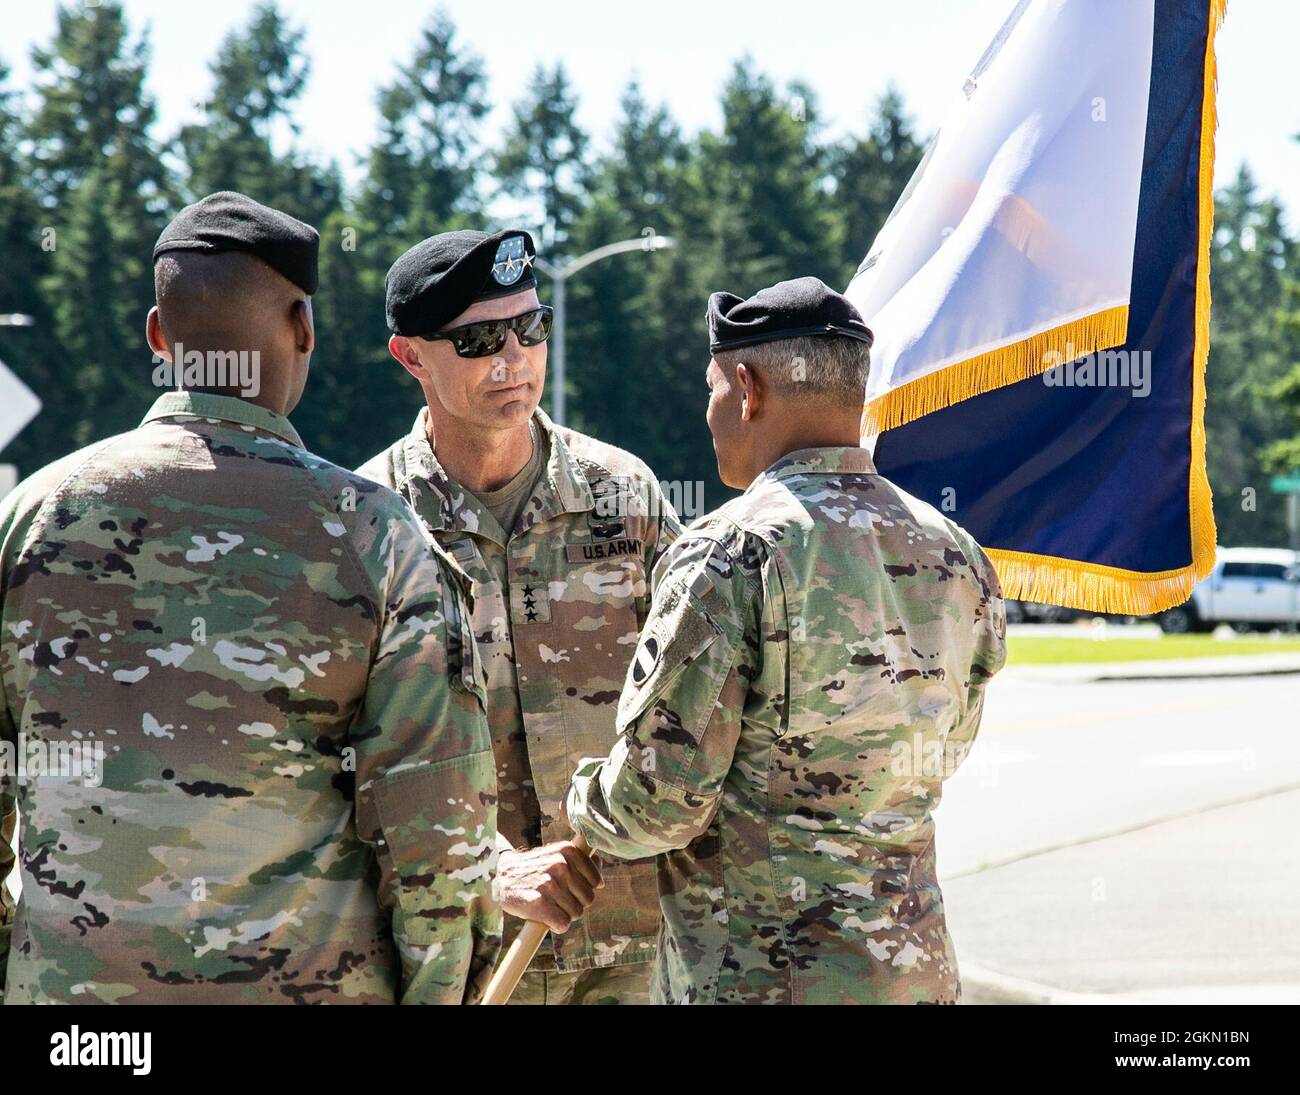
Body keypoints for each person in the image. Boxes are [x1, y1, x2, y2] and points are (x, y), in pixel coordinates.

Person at [0, 191, 499, 1004]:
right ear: (304, 326)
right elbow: (439, 840)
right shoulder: (375, 536)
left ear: (159, 339)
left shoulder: (27, 522)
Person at [566, 277, 1007, 1004]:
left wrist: (584, 802)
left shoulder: (731, 552)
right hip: (913, 973)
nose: (708, 412)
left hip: (767, 977)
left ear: (748, 388)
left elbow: (657, 801)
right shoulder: (957, 552)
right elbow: (945, 751)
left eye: (711, 387)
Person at [357, 229, 680, 1004]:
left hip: (632, 953)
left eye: (530, 328)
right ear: (411, 358)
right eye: (477, 340)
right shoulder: (368, 526)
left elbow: (700, 704)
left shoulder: (623, 494)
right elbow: (338, 761)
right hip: (464, 959)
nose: (514, 359)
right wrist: (489, 866)